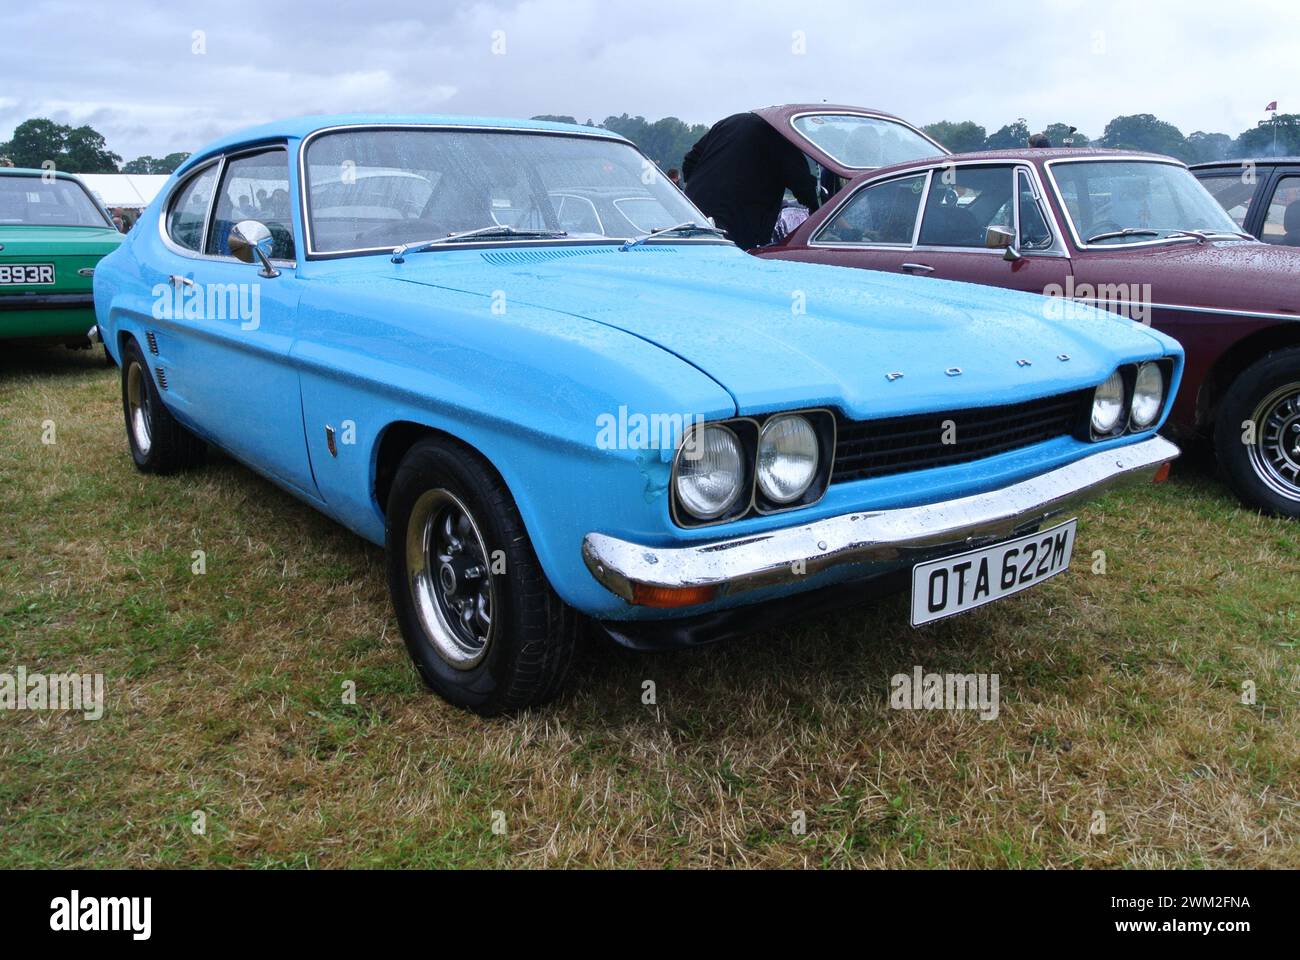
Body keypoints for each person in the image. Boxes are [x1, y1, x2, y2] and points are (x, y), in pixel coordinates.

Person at [682, 112, 819, 249]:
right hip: (739, 223)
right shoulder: (780, 136)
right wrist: (819, 210)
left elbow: (689, 162)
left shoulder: (728, 123)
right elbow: (803, 184)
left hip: (692, 215)